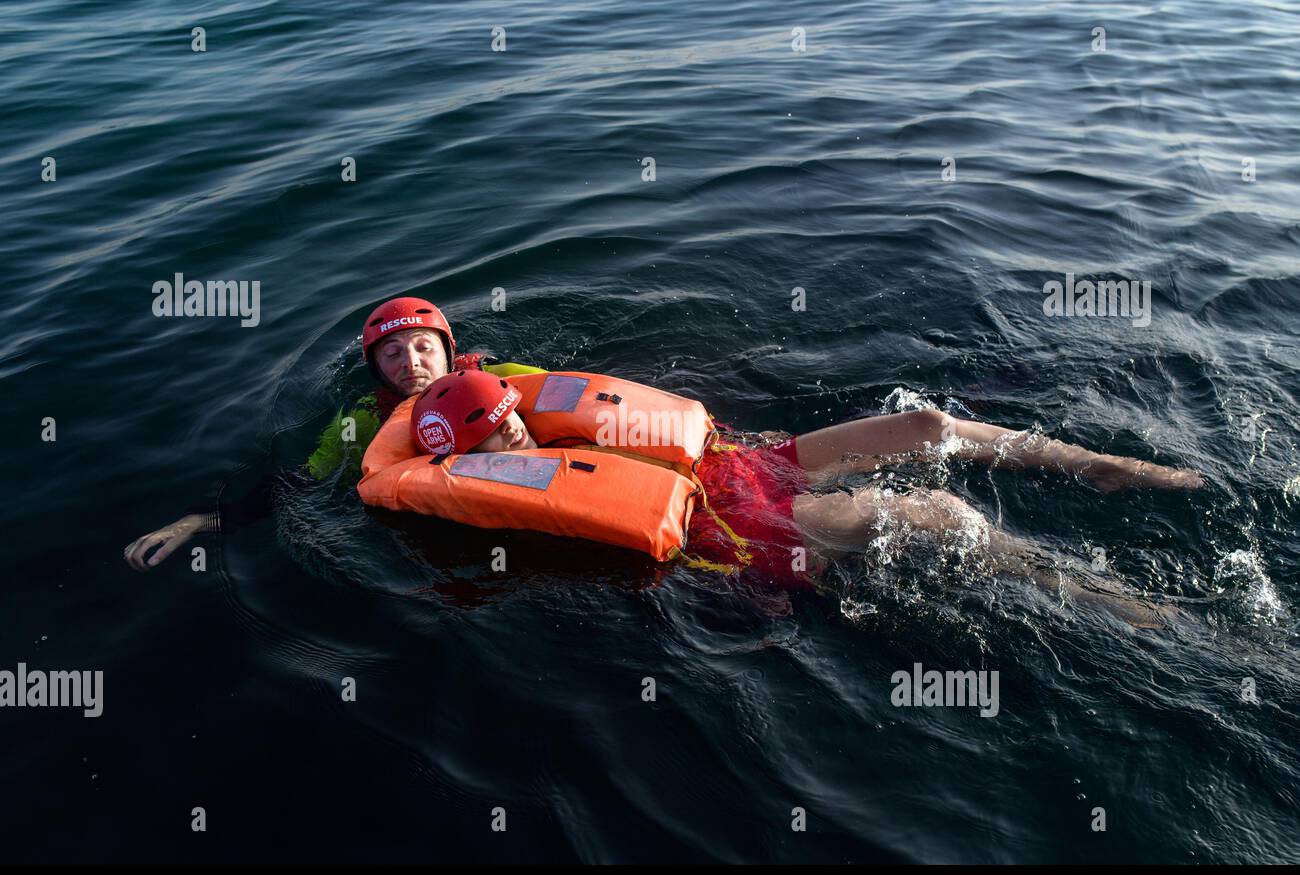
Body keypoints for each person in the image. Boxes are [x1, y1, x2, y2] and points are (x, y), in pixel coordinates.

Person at [407, 369, 1202, 622]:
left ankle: (1101, 464)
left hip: (742, 465)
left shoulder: (543, 415)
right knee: (938, 515)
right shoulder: (496, 503)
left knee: (923, 424)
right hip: (737, 525)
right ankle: (1123, 604)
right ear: (462, 455)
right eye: (489, 437)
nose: (510, 434)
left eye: (508, 419)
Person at [123, 297, 544, 570]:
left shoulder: (496, 377)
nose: (410, 363)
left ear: (448, 352)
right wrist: (200, 521)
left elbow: (584, 394)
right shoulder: (362, 420)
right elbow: (303, 482)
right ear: (376, 369)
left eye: (423, 347)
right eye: (392, 354)